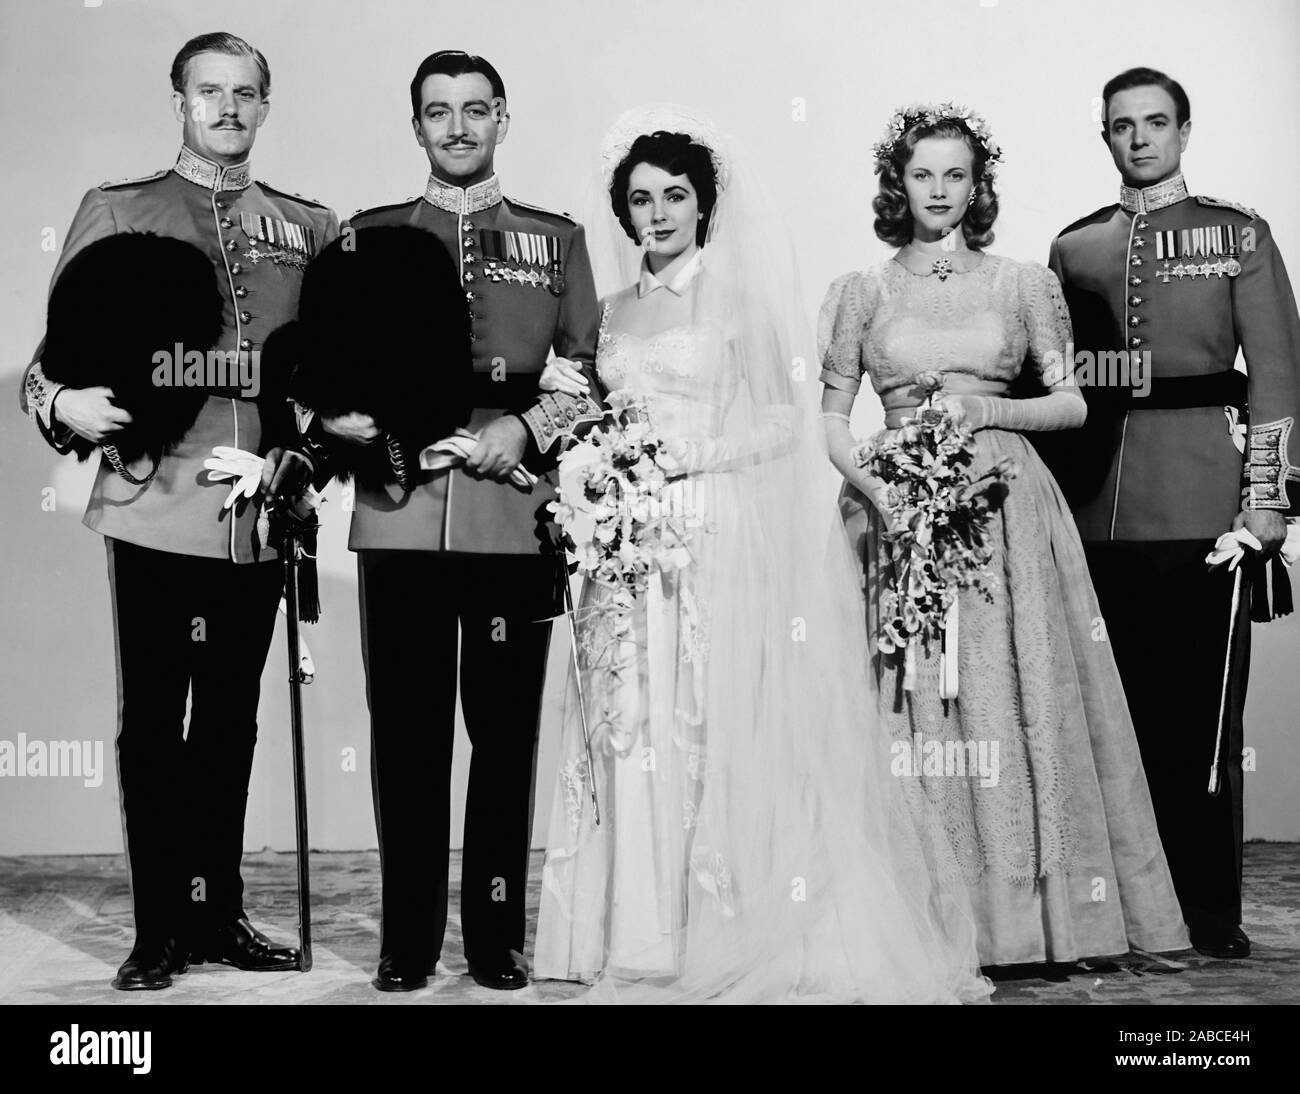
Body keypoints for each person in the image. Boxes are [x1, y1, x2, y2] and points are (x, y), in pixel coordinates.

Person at [532, 105, 989, 1003]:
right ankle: (639, 930)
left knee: (711, 719)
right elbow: (589, 414)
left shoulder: (738, 301)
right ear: (622, 212)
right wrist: (604, 471)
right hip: (625, 544)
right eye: (641, 199)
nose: (658, 213)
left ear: (705, 204)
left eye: (675, 196)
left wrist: (686, 456)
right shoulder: (613, 314)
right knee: (630, 722)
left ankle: (726, 924)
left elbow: (785, 420)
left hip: (713, 532)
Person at [818, 103, 1189, 969]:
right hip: (895, 512)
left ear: (977, 186)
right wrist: (885, 494)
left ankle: (1029, 923)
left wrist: (983, 410)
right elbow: (833, 421)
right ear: (896, 185)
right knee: (915, 705)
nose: (939, 191)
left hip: (1007, 509)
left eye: (956, 175)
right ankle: (921, 913)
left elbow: (1073, 401)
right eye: (922, 175)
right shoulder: (860, 293)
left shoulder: (1023, 282)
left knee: (1011, 694)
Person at [18, 32, 338, 990]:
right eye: (211, 91)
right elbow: (52, 359)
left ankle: (216, 912)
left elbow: (327, 370)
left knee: (231, 723)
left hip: (254, 516)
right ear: (180, 101)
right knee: (157, 724)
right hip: (152, 502)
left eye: (246, 94)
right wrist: (60, 405)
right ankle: (158, 928)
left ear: (265, 105)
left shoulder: (308, 225)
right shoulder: (118, 210)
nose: (229, 108)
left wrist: (306, 457)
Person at [298, 50, 602, 993]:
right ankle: (407, 941)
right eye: (439, 112)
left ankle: (497, 936)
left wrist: (525, 424)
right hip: (399, 516)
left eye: (477, 110)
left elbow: (590, 374)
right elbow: (319, 369)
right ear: (416, 125)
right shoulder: (366, 236)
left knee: (504, 737)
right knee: (409, 734)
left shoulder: (557, 239)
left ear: (504, 119)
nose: (458, 128)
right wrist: (340, 423)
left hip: (512, 519)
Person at [1031, 68, 1300, 959]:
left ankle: (1208, 913)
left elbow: (1277, 379)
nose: (1139, 139)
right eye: (1121, 126)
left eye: (1155, 123)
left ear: (1185, 130)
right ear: (1102, 137)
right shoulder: (1076, 249)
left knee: (1203, 729)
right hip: (1099, 509)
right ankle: (1127, 915)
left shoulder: (1239, 233)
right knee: (1114, 722)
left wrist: (1266, 499)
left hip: (1204, 507)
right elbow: (1065, 381)